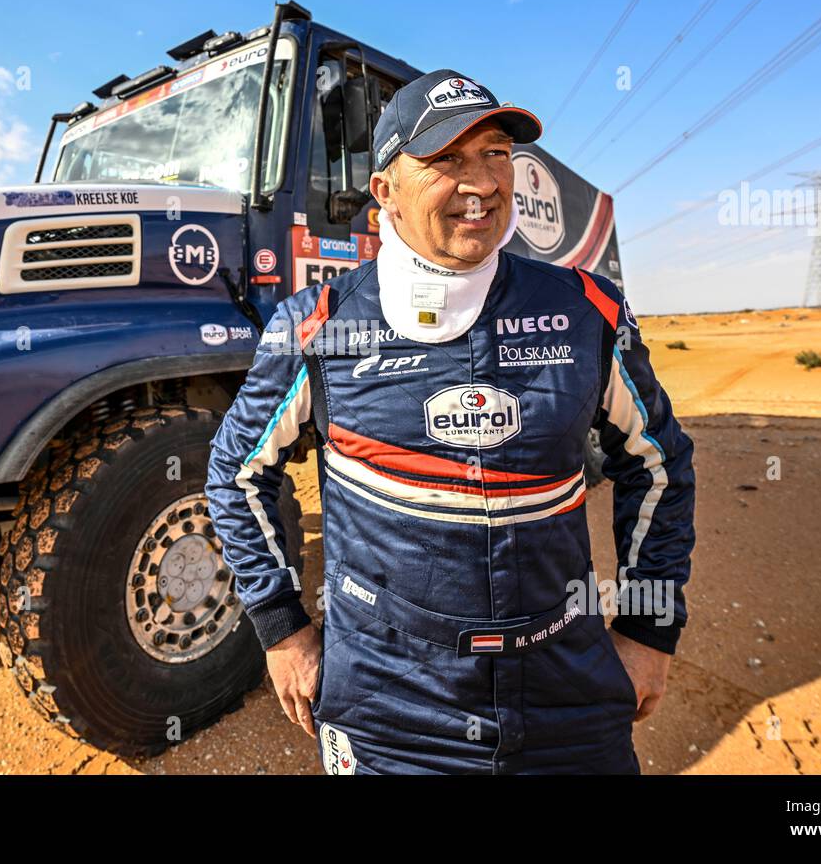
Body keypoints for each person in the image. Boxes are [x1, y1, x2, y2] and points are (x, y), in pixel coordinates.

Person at [205, 68, 696, 774]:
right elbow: (236, 474)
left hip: (567, 689)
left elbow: (659, 465)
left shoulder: (589, 309)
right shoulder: (317, 325)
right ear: (384, 194)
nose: (485, 182)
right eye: (445, 160)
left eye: (497, 153)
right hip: (389, 703)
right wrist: (282, 630)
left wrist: (650, 629)